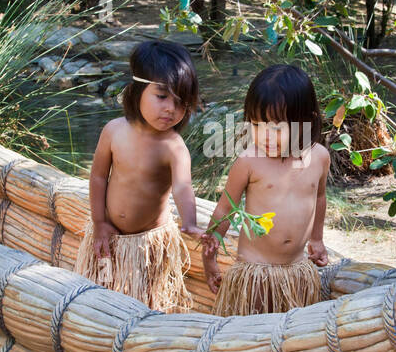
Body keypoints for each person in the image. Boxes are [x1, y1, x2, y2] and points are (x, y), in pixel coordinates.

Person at [73, 39, 205, 312]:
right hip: (109, 235)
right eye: (162, 96)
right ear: (136, 90)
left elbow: (183, 188)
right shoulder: (114, 131)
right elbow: (98, 177)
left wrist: (190, 222)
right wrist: (99, 222)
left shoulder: (173, 147)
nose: (171, 108)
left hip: (147, 245)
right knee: (100, 303)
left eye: (180, 102)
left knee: (143, 307)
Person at [202, 64, 331, 315]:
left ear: (306, 120)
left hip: (296, 271)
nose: (264, 136)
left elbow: (319, 197)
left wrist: (317, 238)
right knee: (253, 337)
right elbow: (224, 210)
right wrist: (209, 257)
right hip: (256, 274)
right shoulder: (249, 162)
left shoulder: (319, 158)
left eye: (276, 127)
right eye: (256, 125)